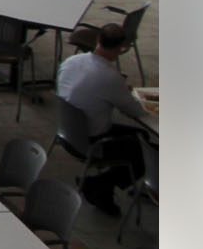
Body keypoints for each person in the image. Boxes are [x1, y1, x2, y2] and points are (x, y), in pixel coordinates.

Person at [55, 25, 152, 212]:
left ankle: (102, 184)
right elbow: (135, 111)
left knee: (139, 136)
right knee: (144, 148)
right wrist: (124, 91)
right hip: (91, 142)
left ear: (98, 39)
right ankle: (100, 184)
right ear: (122, 48)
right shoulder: (110, 77)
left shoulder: (71, 61)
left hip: (67, 131)